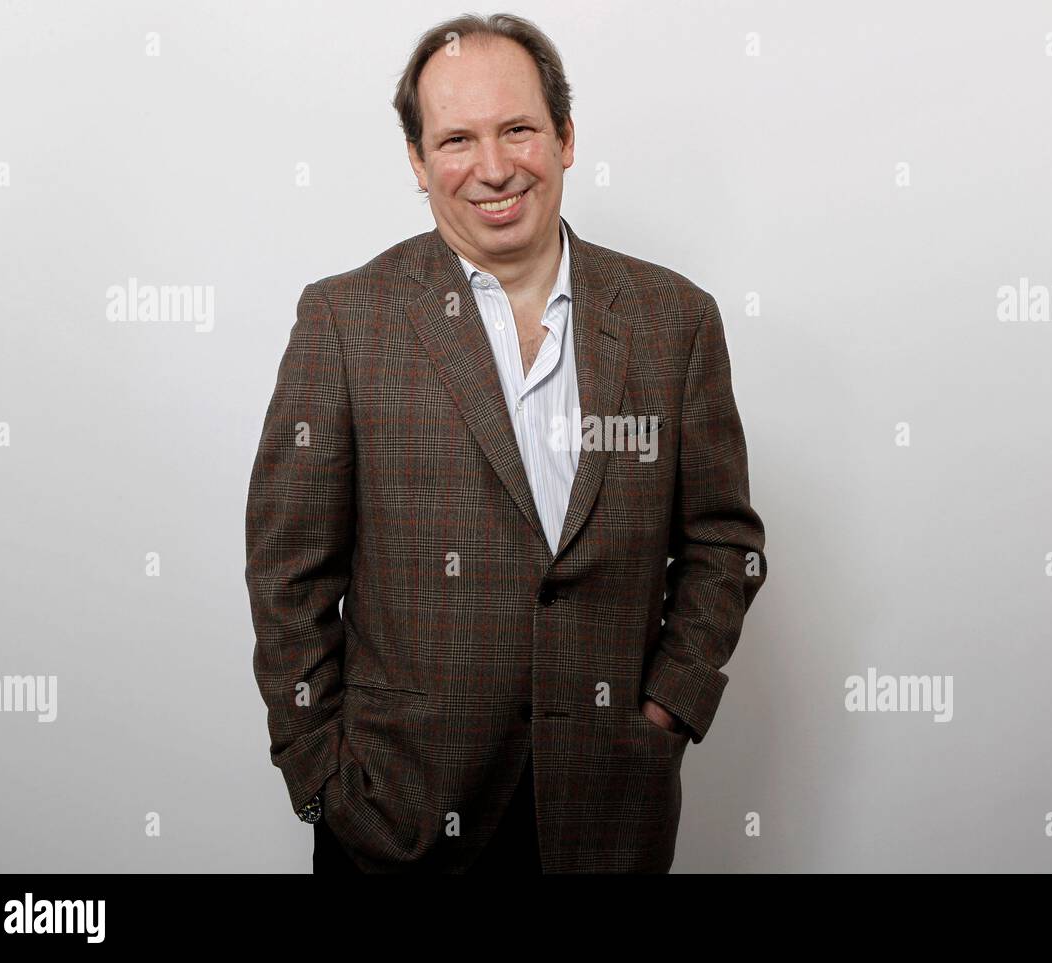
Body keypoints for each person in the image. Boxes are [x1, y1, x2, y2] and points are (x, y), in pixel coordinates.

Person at [245, 12, 767, 874]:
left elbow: (724, 544)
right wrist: (320, 774)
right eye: (456, 139)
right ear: (417, 161)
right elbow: (287, 573)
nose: (493, 168)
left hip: (606, 815)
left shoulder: (675, 321)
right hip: (396, 815)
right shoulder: (345, 321)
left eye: (518, 128)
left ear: (564, 136)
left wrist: (668, 709)